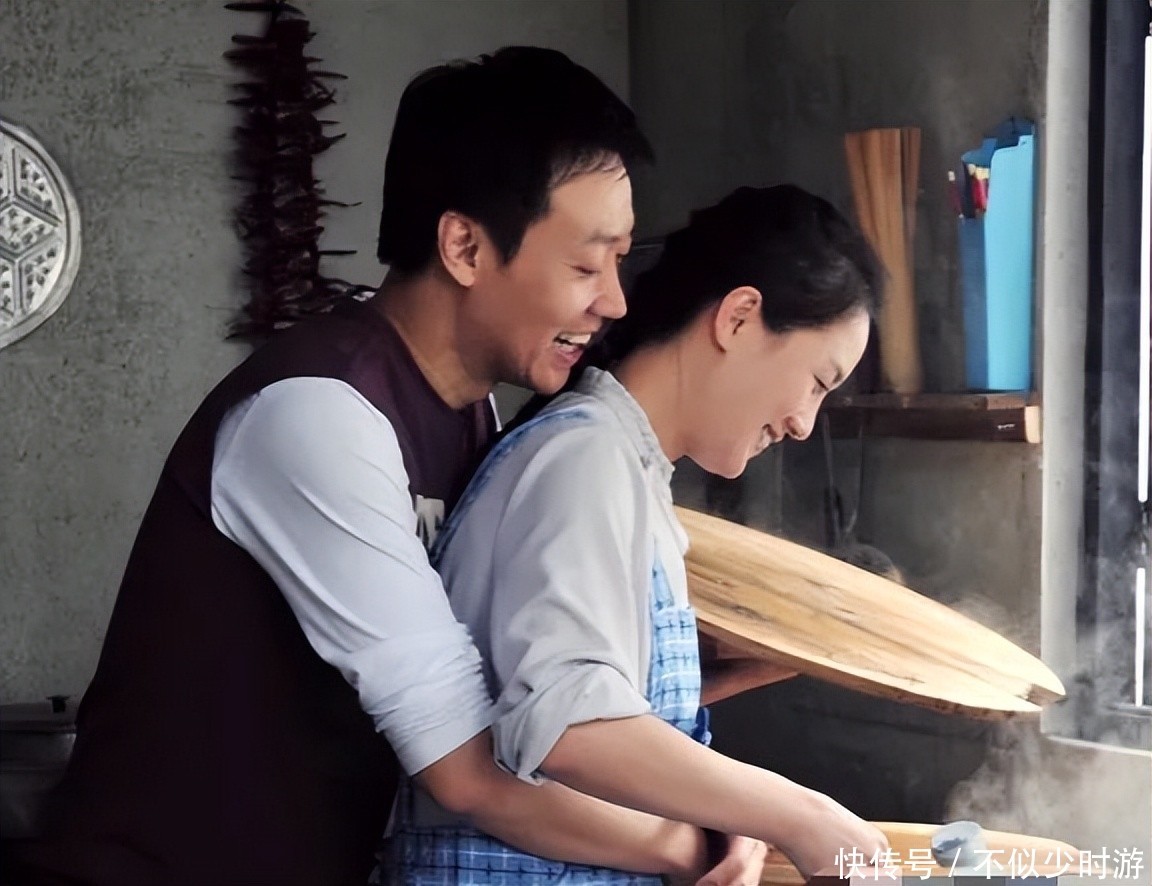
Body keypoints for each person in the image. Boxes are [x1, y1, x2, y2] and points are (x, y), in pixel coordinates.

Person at [13, 48, 763, 886]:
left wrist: (727, 686)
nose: (613, 301)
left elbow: (525, 701)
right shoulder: (318, 415)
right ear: (465, 247)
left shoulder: (473, 417)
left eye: (620, 262)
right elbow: (465, 770)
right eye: (587, 264)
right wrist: (706, 840)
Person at [386, 184, 892, 884]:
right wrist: (803, 816)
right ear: (740, 318)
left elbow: (586, 705)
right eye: (816, 381)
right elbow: (569, 728)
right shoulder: (584, 458)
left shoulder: (624, 466)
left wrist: (727, 815)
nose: (804, 423)